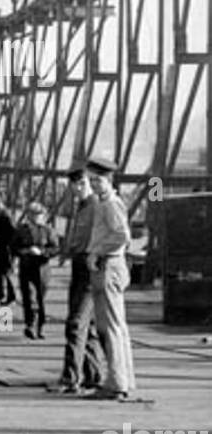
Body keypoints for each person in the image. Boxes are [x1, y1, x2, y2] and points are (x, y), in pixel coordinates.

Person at [85, 157, 136, 399]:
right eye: (91, 180)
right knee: (115, 326)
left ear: (109, 180)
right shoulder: (103, 202)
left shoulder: (111, 204)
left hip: (109, 267)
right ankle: (123, 379)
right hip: (107, 267)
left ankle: (117, 383)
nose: (94, 184)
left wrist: (97, 251)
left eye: (98, 180)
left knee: (111, 327)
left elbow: (121, 236)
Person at [59, 167, 103, 393]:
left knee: (76, 323)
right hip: (78, 265)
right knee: (89, 326)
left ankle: (71, 378)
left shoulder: (96, 206)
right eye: (74, 184)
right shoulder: (81, 207)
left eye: (81, 183)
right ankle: (93, 376)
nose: (77, 188)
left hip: (89, 267)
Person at [14, 200, 60, 339]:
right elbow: (13, 247)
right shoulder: (21, 230)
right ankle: (30, 325)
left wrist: (42, 252)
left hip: (43, 269)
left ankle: (40, 327)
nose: (36, 217)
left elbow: (55, 248)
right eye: (33, 214)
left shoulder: (48, 230)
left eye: (38, 214)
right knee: (29, 297)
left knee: (40, 298)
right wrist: (26, 251)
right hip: (27, 267)